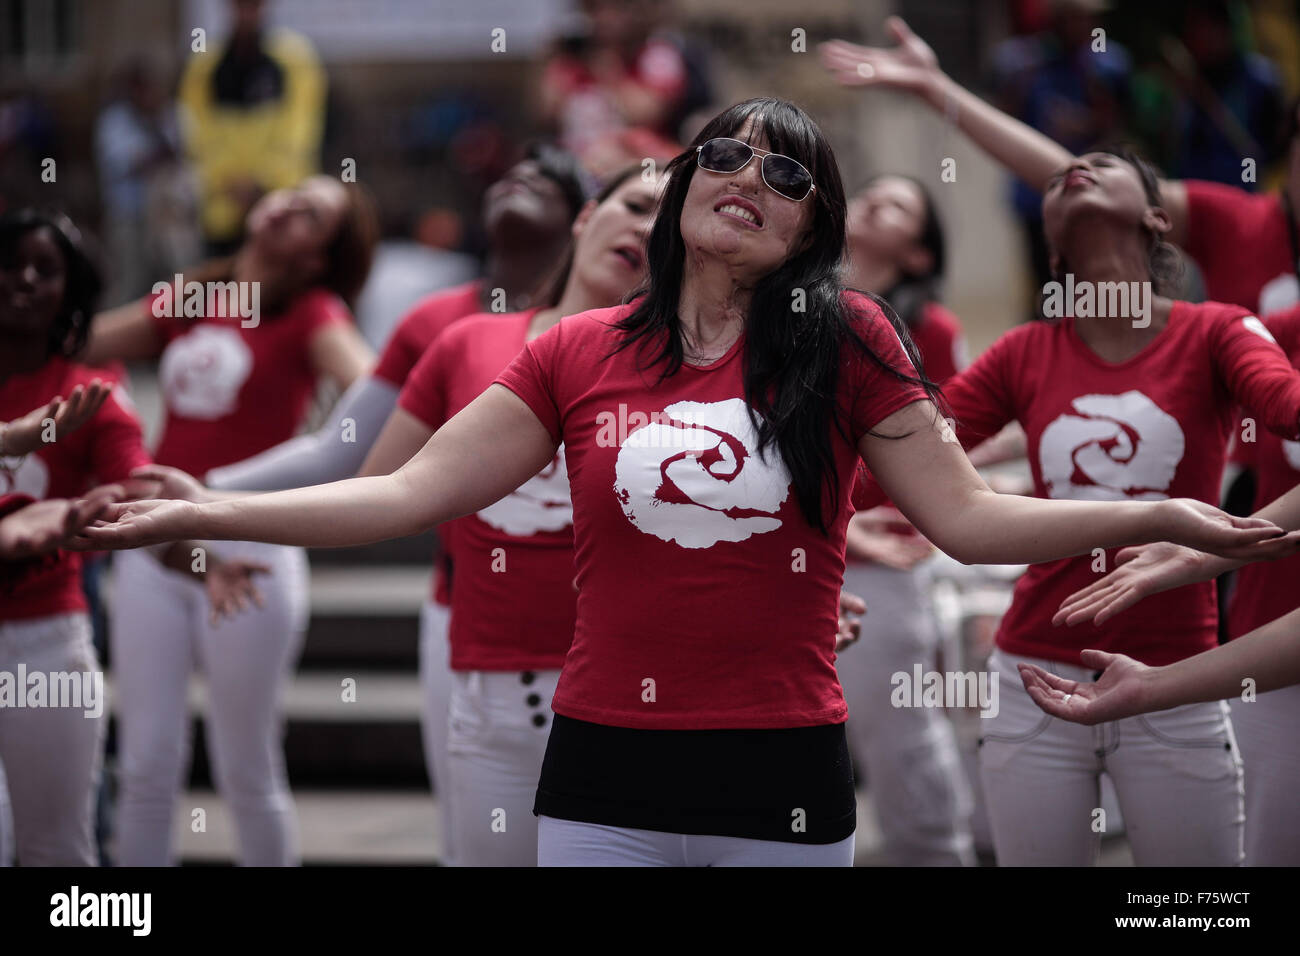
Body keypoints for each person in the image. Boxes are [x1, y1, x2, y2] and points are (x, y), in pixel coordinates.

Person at [72, 98, 1293, 868]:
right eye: (727, 155)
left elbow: (971, 517)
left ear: (810, 232)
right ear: (681, 194)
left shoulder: (849, 336)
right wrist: (202, 507)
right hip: (602, 765)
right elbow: (399, 494)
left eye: (788, 174)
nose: (749, 177)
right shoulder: (575, 349)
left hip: (781, 763)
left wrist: (1161, 511)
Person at [822, 18, 1300, 865]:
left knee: (1195, 914)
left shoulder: (1223, 331)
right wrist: (794, 532)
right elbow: (893, 465)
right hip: (1028, 675)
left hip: (1180, 680)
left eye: (1107, 166)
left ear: (1159, 220)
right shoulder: (1023, 351)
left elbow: (1289, 409)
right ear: (1047, 240)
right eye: (1063, 176)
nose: (1078, 168)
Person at [182, 146, 586, 866]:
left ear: (583, 219)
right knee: (473, 839)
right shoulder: (442, 323)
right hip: (465, 615)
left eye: (546, 182)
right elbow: (346, 454)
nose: (519, 185)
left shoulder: (634, 332)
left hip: (600, 631)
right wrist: (207, 491)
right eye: (511, 175)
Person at [346, 166, 656, 865]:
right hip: (491, 688)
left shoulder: (682, 370)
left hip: (634, 699)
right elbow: (379, 493)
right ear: (584, 218)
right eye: (634, 204)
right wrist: (214, 514)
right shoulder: (465, 342)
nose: (644, 227)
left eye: (665, 225)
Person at [79, 175, 377, 866]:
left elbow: (370, 393)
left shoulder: (313, 311)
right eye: (292, 194)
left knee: (245, 763)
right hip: (154, 543)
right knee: (148, 760)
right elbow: (81, 343)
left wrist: (253, 479)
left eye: (311, 215)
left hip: (252, 544)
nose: (286, 205)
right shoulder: (202, 294)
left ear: (317, 257)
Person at [0, 210, 262, 866]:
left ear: (73, 291)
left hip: (45, 646)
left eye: (47, 270)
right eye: (10, 264)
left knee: (57, 847)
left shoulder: (92, 396)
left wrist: (204, 567)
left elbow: (140, 503)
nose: (25, 280)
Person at [837, 173, 976, 865]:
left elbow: (949, 443)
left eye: (896, 205)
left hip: (883, 564)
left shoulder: (931, 329)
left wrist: (849, 511)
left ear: (919, 255)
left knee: (900, 734)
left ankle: (936, 851)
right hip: (784, 552)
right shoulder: (788, 304)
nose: (869, 201)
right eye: (869, 193)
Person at [179, 0, 327, 255]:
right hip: (223, 212)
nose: (247, 10)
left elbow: (301, 131)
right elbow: (196, 133)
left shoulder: (296, 59)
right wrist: (229, 181)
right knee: (224, 291)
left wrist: (265, 182)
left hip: (282, 208)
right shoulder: (204, 66)